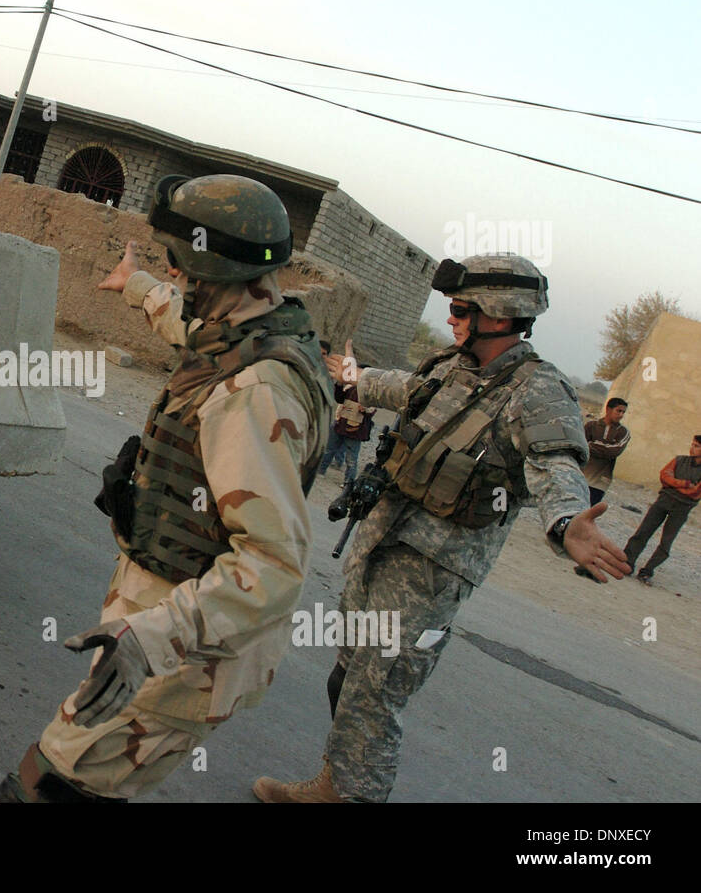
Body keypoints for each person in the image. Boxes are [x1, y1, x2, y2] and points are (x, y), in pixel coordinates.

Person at [0, 174, 333, 802]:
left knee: (48, 785)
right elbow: (187, 327)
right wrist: (138, 286)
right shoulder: (256, 329)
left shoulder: (255, 391)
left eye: (178, 267)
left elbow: (273, 565)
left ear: (209, 269)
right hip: (167, 627)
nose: (175, 280)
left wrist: (150, 638)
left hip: (183, 648)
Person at [252, 252, 630, 804]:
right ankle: (335, 784)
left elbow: (556, 462)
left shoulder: (539, 390)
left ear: (499, 316)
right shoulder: (451, 367)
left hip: (431, 567)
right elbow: (401, 388)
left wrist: (568, 521)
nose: (451, 319)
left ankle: (352, 798)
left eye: (460, 309)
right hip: (380, 538)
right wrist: (350, 375)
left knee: (374, 694)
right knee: (349, 675)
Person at [622, 436, 701, 585]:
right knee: (643, 532)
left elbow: (695, 493)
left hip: (682, 508)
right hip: (663, 501)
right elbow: (664, 476)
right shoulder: (679, 460)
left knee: (666, 543)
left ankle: (647, 571)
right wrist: (684, 484)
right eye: (692, 444)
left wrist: (674, 486)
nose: (692, 448)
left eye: (696, 446)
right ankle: (627, 562)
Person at [574, 398, 630, 577]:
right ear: (609, 409)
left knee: (589, 513)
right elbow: (580, 443)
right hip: (582, 474)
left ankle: (583, 549)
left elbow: (614, 451)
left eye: (623, 412)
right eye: (618, 411)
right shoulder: (591, 426)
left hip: (600, 480)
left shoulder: (623, 433)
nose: (620, 415)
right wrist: (598, 447)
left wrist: (593, 445)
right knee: (574, 507)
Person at [317, 370, 376, 485]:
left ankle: (348, 482)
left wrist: (364, 410)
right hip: (341, 423)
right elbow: (339, 398)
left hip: (355, 429)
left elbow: (371, 411)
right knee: (329, 450)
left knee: (351, 458)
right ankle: (320, 471)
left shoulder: (370, 394)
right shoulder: (350, 387)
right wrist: (339, 384)